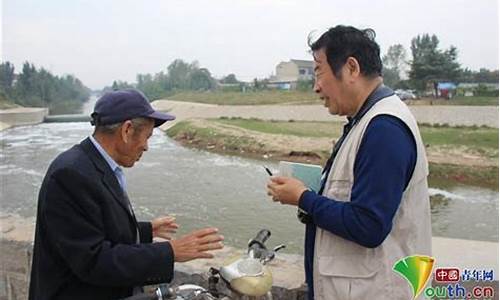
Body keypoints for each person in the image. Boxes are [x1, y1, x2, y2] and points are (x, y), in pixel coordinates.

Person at [267, 25, 432, 300]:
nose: (316, 86)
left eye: (319, 71)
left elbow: (369, 226)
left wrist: (304, 198)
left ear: (352, 68)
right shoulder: (365, 120)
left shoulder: (384, 128)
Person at [29, 89, 224, 300]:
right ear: (127, 130)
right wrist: (170, 252)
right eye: (147, 137)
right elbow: (93, 260)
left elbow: (93, 227)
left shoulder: (95, 165)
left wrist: (146, 230)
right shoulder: (71, 174)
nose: (147, 147)